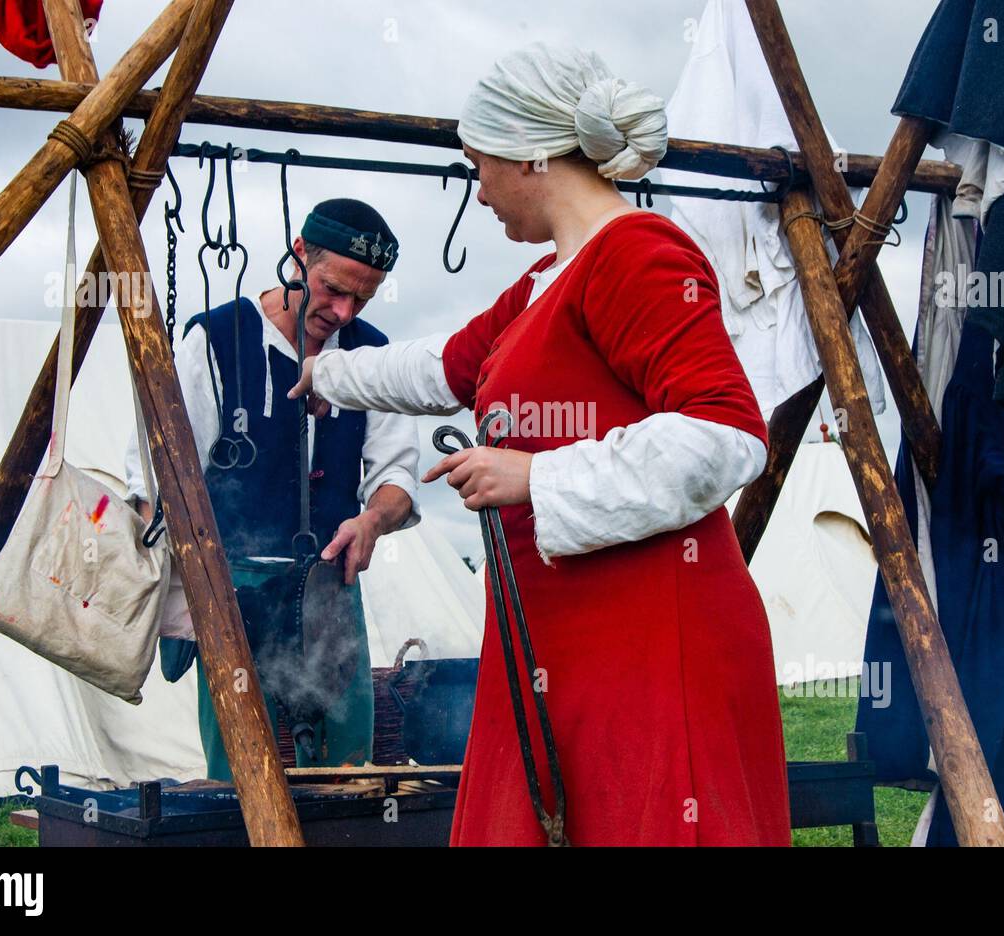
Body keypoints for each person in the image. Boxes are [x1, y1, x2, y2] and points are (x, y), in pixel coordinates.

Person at [290, 43, 790, 846]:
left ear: (528, 153)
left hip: (648, 635)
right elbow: (440, 366)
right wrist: (326, 375)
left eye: (478, 162)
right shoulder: (539, 286)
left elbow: (726, 434)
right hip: (555, 638)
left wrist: (539, 475)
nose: (477, 187)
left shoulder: (636, 255)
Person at [126, 198, 420, 779]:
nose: (343, 310)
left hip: (328, 586)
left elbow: (396, 477)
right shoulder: (216, 339)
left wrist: (372, 521)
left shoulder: (373, 353)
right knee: (238, 766)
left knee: (348, 768)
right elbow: (155, 471)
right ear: (298, 253)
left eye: (360, 297)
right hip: (230, 589)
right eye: (332, 289)